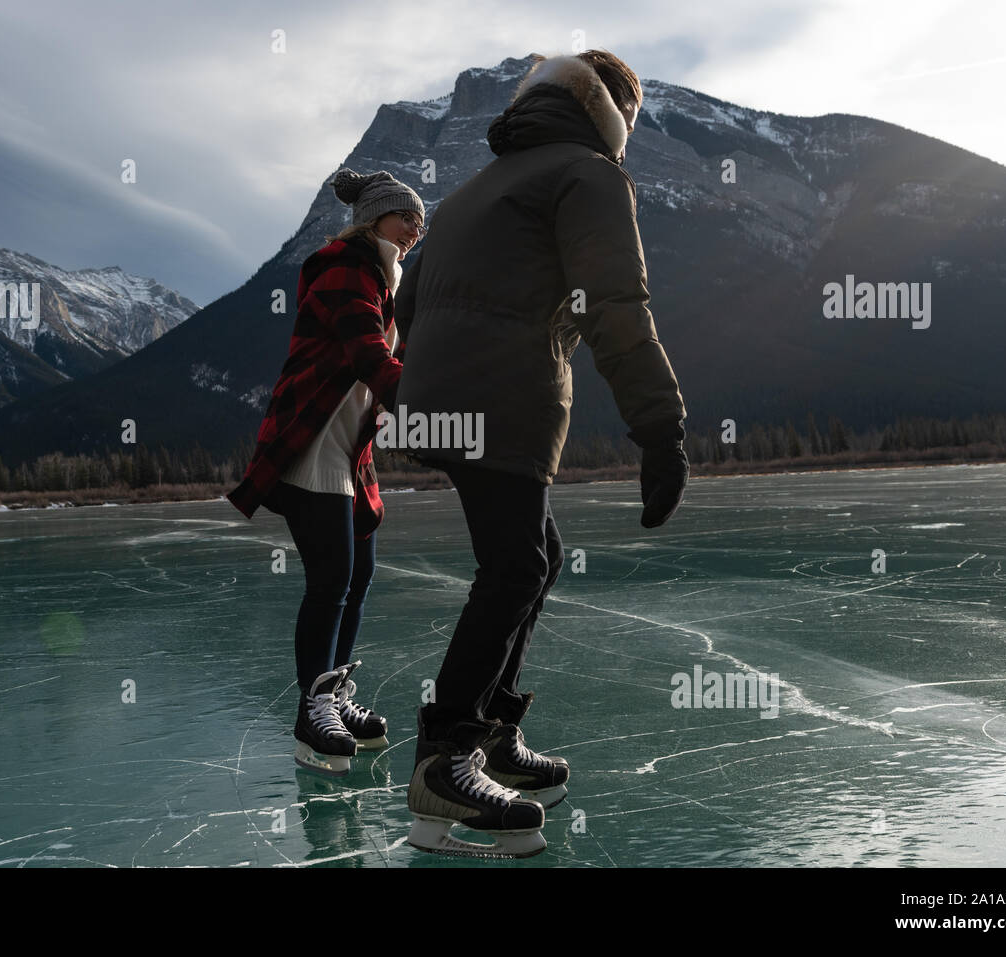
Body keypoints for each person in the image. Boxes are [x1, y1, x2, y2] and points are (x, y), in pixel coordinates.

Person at [393, 50, 690, 856]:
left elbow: (405, 302)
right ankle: (445, 756)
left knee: (536, 553)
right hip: (502, 395)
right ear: (612, 118)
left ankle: (486, 737)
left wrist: (422, 389)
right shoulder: (590, 175)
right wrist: (659, 428)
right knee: (517, 565)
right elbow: (615, 306)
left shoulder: (470, 189)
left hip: (437, 403)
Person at [228, 168, 427, 776]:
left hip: (350, 449)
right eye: (405, 217)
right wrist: (421, 402)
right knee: (331, 578)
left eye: (421, 221)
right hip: (313, 441)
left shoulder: (384, 277)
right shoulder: (345, 265)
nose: (415, 229)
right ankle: (313, 714)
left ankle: (334, 695)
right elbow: (367, 350)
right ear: (375, 218)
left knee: (359, 574)